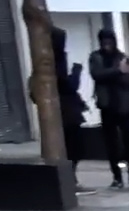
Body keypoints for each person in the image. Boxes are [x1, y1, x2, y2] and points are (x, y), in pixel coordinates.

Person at [88, 28, 129, 190]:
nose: (107, 44)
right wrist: (118, 71)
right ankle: (117, 177)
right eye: (104, 41)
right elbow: (97, 75)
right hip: (107, 106)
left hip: (125, 107)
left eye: (109, 41)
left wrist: (115, 75)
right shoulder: (96, 57)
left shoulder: (124, 57)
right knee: (112, 145)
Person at [50, 26, 91, 192]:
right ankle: (70, 179)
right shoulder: (56, 60)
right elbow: (69, 86)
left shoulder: (56, 58)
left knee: (74, 147)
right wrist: (76, 72)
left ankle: (71, 178)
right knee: (74, 147)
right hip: (66, 112)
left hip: (67, 110)